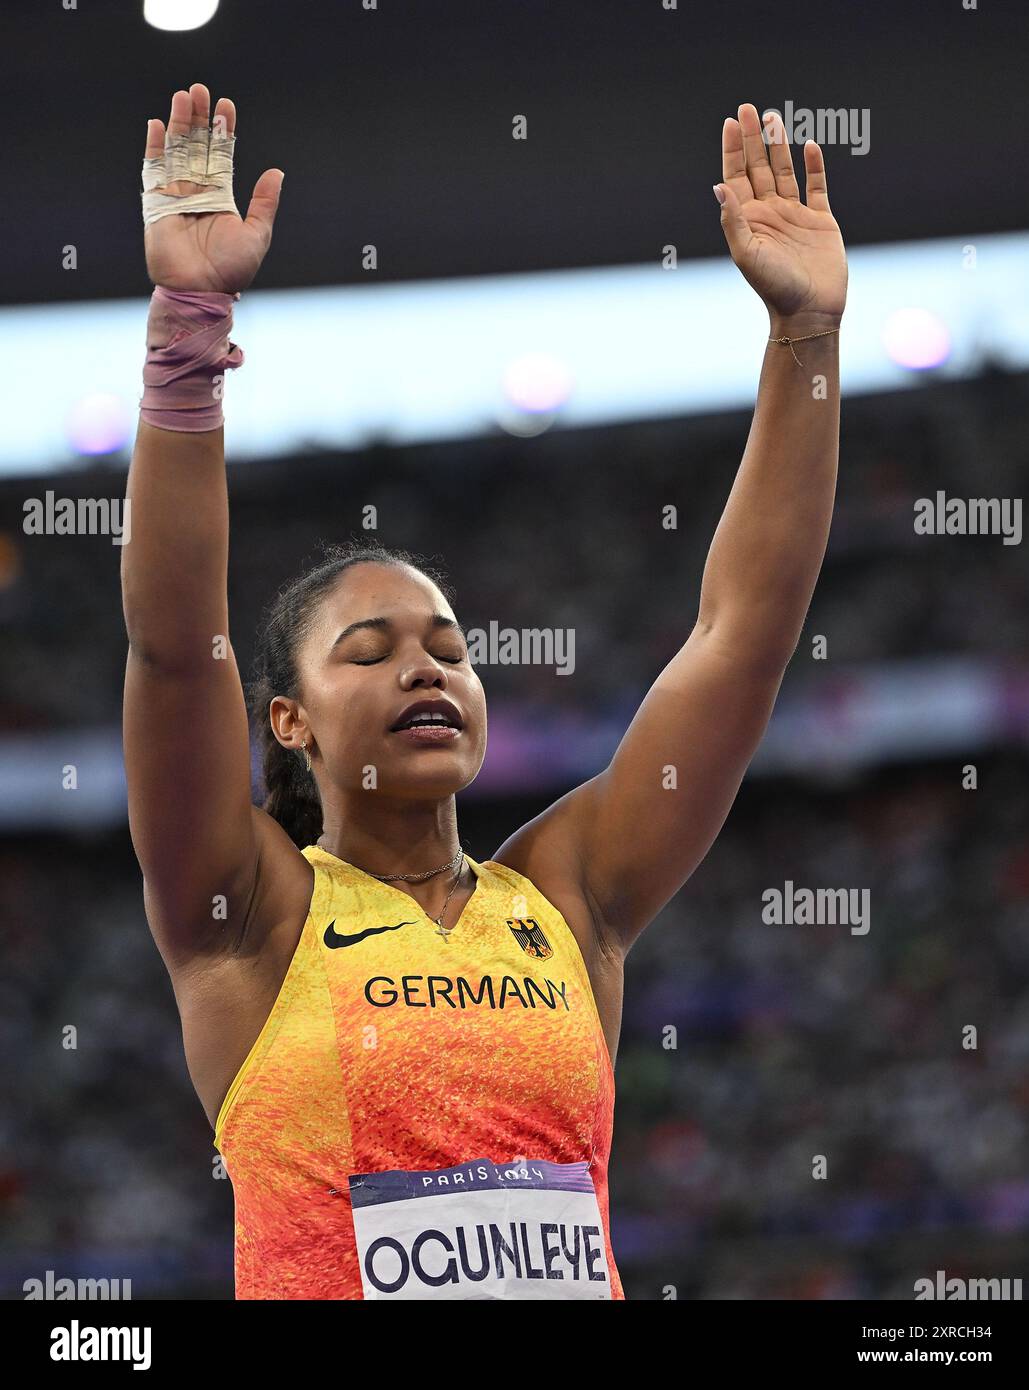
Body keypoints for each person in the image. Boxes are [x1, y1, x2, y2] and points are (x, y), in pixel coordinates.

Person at [122, 83, 847, 1300]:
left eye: (451, 648)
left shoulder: (570, 900)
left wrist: (807, 341)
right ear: (286, 721)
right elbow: (169, 644)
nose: (426, 666)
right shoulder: (248, 912)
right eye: (371, 649)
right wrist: (188, 332)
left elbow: (741, 636)